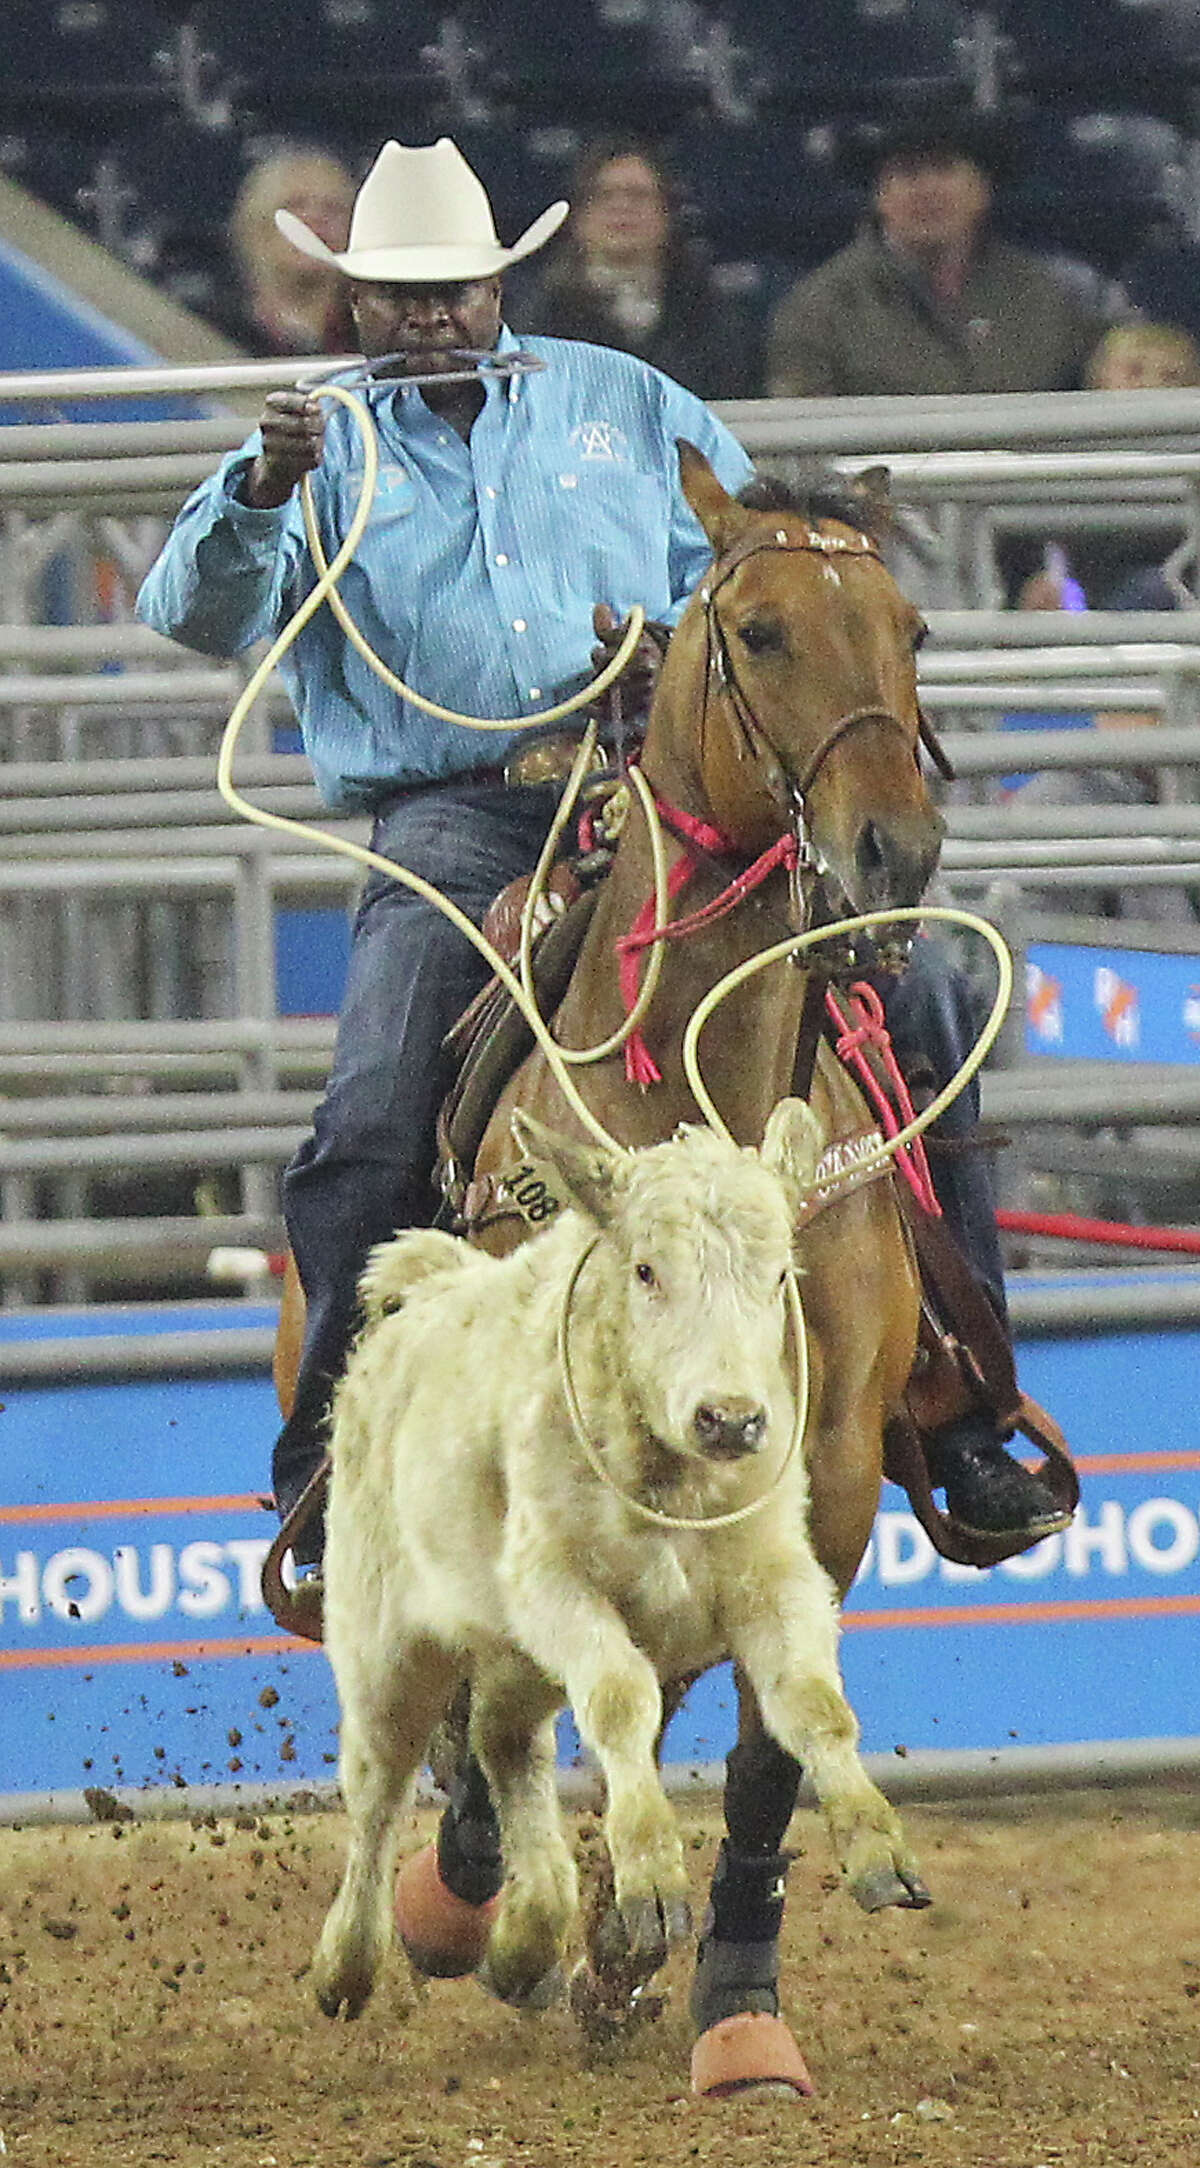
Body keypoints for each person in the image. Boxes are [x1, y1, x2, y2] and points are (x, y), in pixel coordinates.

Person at [137, 135, 1061, 1599]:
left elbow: (768, 555)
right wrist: (259, 483)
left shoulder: (624, 400)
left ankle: (967, 1413)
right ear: (356, 300)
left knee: (928, 1009)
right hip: (454, 814)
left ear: (500, 279)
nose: (432, 315)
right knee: (377, 1099)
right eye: (400, 293)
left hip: (665, 790)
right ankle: (334, 1452)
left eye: (456, 287)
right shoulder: (318, 445)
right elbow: (193, 610)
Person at [766, 105, 1110, 399]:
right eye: (908, 172)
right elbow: (801, 440)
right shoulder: (820, 308)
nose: (927, 191)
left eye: (944, 168)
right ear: (879, 197)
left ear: (982, 191)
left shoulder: (1046, 295)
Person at [508, 135, 760, 399]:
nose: (622, 207)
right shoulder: (543, 313)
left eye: (638, 195)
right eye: (605, 195)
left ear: (667, 213)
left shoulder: (705, 309)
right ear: (578, 217)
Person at [211, 145, 358, 357]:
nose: (315, 218)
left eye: (332, 208)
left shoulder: (372, 336)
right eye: (295, 205)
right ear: (256, 226)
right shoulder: (212, 327)